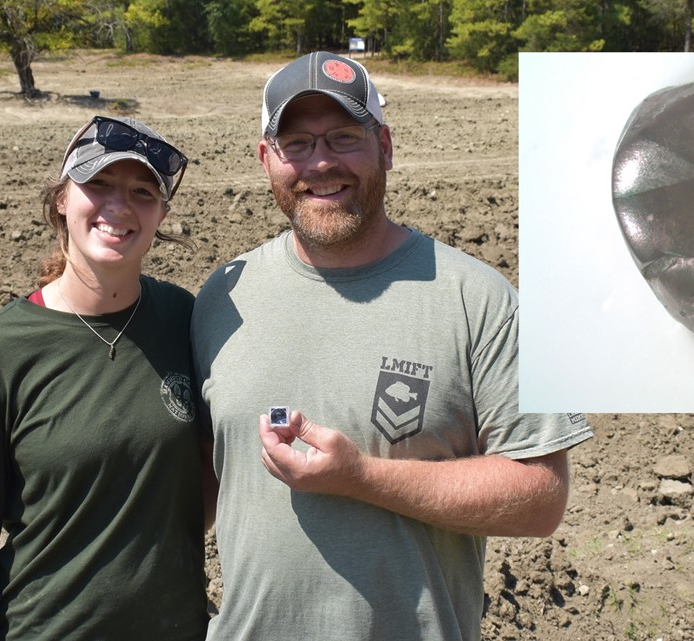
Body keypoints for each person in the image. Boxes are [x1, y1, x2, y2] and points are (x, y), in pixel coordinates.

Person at [191, 51, 593, 641]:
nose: (321, 162)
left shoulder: (480, 299)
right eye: (296, 143)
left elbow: (542, 495)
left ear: (386, 145)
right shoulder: (222, 298)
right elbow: (205, 480)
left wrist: (363, 478)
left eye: (344, 137)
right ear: (265, 159)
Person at [0, 115, 213, 640]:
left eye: (142, 191)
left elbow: (211, 467)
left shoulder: (184, 319)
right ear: (62, 199)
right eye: (100, 184)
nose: (120, 206)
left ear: (161, 214)